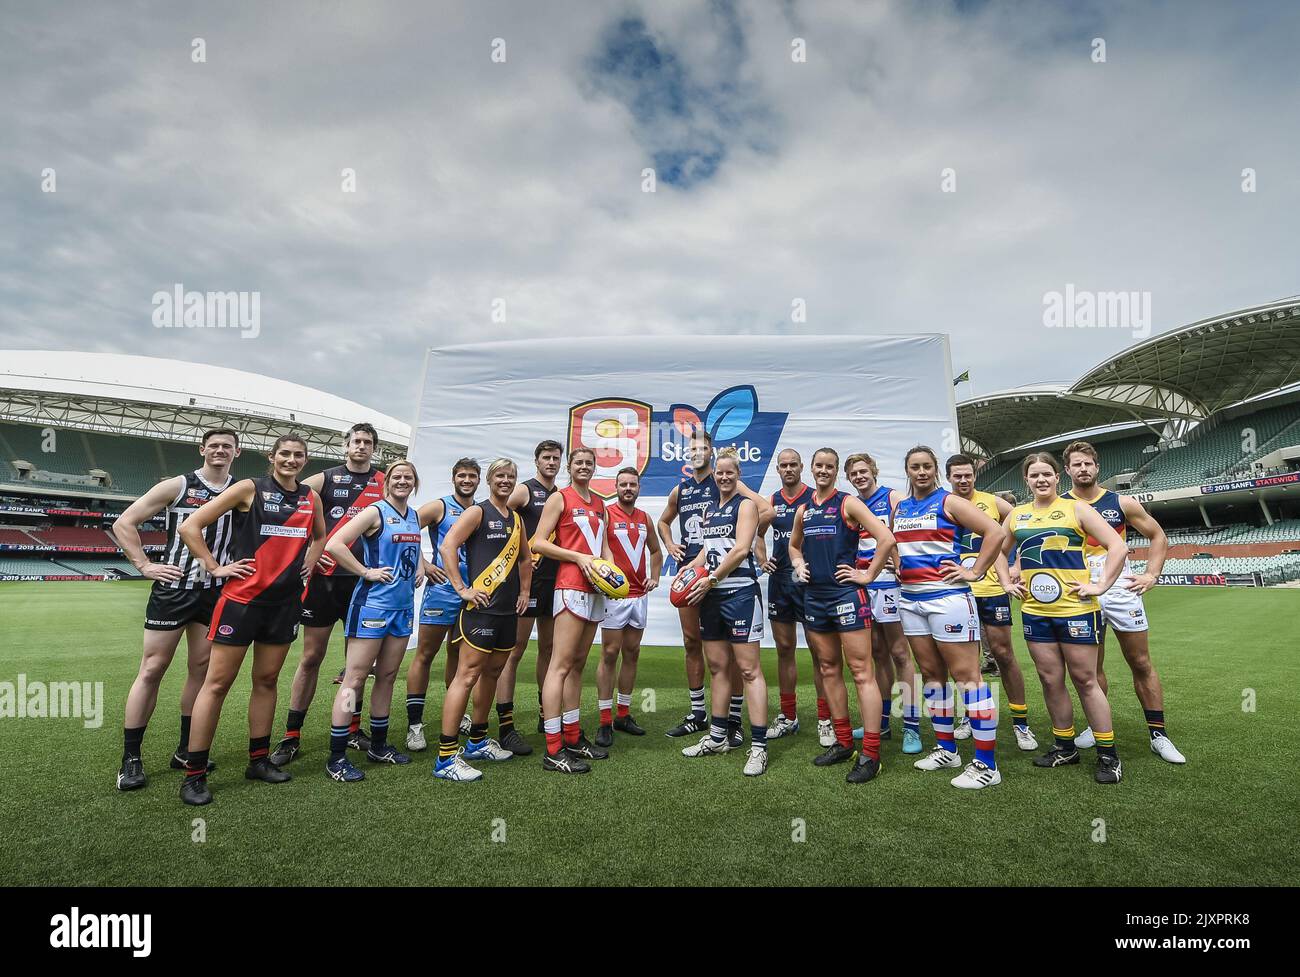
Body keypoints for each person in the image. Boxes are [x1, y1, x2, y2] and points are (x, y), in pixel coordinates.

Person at [177, 434, 327, 805]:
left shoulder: (311, 497)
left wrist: (308, 564)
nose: (291, 460)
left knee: (266, 680)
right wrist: (214, 566)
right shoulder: (249, 489)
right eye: (285, 454)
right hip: (241, 601)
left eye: (298, 455)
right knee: (217, 684)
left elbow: (321, 536)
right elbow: (189, 527)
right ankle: (194, 775)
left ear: (305, 461)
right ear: (272, 457)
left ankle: (258, 761)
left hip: (285, 604)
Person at [112, 428, 241, 790]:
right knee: (152, 668)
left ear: (237, 452)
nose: (219, 451)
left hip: (214, 592)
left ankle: (186, 749)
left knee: (200, 670)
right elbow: (124, 522)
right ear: (202, 449)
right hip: (174, 590)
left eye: (226, 446)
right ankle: (131, 758)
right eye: (213, 445)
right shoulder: (178, 485)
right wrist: (143, 565)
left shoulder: (241, 490)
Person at [1003, 452, 1128, 783]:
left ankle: (1108, 754)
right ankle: (1065, 747)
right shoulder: (1017, 516)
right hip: (1036, 612)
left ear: (1058, 477)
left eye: (1047, 474)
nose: (1041, 480)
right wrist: (1005, 580)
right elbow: (997, 550)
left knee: (1086, 680)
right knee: (1049, 679)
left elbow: (1118, 546)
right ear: (1026, 481)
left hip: (1076, 610)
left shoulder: (1078, 509)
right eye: (1034, 475)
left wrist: (1100, 585)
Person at [1061, 441, 1186, 764]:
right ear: (1067, 470)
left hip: (1119, 587)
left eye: (1088, 463)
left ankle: (1159, 734)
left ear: (1097, 467)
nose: (1083, 469)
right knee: (1090, 668)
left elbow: (1158, 536)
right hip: (1080, 589)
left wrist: (1152, 574)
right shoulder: (1059, 506)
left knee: (1140, 662)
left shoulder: (1121, 502)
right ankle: (1096, 726)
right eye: (1076, 464)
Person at [268, 423, 383, 766]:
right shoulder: (324, 479)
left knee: (357, 666)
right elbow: (291, 502)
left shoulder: (383, 482)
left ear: (373, 448)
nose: (361, 446)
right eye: (356, 441)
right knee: (311, 658)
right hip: (323, 582)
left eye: (367, 442)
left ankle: (352, 729)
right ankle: (291, 735)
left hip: (363, 584)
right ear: (345, 446)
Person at [894, 446, 1008, 789]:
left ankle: (987, 765)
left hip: (948, 600)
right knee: (931, 676)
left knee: (968, 679)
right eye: (915, 467)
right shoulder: (900, 507)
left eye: (927, 466)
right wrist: (897, 563)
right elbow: (898, 544)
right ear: (908, 470)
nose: (922, 472)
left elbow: (996, 533)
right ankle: (947, 749)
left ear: (935, 471)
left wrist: (974, 570)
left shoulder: (950, 502)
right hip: (910, 600)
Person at [787, 448, 897, 783]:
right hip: (814, 599)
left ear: (836, 471)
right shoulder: (804, 510)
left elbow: (886, 538)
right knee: (828, 668)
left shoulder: (848, 503)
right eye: (818, 466)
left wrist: (867, 575)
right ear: (812, 469)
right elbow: (794, 545)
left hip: (847, 596)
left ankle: (871, 754)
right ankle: (845, 742)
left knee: (862, 671)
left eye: (829, 467)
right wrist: (798, 564)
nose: (823, 471)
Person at [657, 428, 772, 744]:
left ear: (712, 451)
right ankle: (699, 715)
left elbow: (767, 511)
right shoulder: (681, 490)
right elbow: (663, 522)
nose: (697, 452)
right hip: (695, 571)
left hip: (726, 576)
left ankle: (734, 719)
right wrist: (669, 544)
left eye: (702, 447)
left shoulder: (727, 480)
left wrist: (749, 542)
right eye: (692, 448)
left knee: (735, 654)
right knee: (694, 643)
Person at [319, 460, 433, 781]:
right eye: (396, 476)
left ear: (415, 483)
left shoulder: (412, 515)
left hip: (402, 608)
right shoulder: (375, 512)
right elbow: (334, 544)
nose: (402, 481)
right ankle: (337, 756)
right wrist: (365, 571)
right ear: (387, 482)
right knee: (354, 678)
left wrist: (421, 565)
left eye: (408, 477)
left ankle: (378, 745)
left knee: (387, 675)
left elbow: (409, 549)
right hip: (372, 607)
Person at [432, 459, 533, 781]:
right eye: (500, 476)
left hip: (507, 612)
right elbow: (448, 545)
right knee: (468, 675)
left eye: (511, 477)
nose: (505, 481)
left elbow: (526, 559)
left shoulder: (516, 518)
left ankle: (477, 741)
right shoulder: (477, 512)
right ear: (490, 481)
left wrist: (524, 593)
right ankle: (446, 758)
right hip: (481, 611)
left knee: (492, 673)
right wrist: (461, 587)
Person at [679, 449, 773, 776]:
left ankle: (758, 747)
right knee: (718, 667)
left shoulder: (745, 506)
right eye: (719, 473)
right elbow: (708, 551)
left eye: (729, 472)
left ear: (738, 474)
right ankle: (717, 736)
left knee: (748, 671)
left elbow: (741, 549)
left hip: (740, 593)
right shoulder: (709, 509)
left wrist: (713, 579)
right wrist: (688, 572)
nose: (723, 477)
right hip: (712, 596)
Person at [946, 454, 1037, 752]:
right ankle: (970, 718)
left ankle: (1021, 723)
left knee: (1003, 654)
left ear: (975, 476)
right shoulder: (943, 505)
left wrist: (1017, 567)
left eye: (967, 475)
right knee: (965, 662)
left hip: (992, 590)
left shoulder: (995, 503)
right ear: (949, 477)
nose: (963, 480)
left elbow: (1027, 529)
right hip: (958, 593)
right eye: (957, 475)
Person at [531, 447, 613, 772]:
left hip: (594, 590)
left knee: (578, 664)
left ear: (594, 468)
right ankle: (553, 749)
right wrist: (577, 557)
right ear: (570, 466)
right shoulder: (559, 498)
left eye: (588, 463)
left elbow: (604, 549)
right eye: (578, 462)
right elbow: (537, 542)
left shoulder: (600, 504)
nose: (583, 467)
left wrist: (612, 577)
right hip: (569, 586)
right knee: (560, 665)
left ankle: (574, 737)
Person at [843, 452, 923, 755]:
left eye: (864, 471)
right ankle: (884, 721)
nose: (860, 477)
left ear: (873, 471)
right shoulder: (852, 504)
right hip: (863, 585)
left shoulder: (892, 498)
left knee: (901, 654)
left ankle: (912, 727)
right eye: (854, 473)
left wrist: (899, 563)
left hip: (888, 585)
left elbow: (904, 533)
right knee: (877, 654)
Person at [402, 458, 480, 752]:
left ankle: (456, 714)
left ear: (478, 480)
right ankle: (415, 725)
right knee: (424, 654)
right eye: (462, 475)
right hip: (442, 593)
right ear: (453, 477)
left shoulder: (478, 510)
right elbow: (407, 531)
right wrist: (423, 563)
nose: (466, 480)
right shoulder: (439, 507)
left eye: (472, 476)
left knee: (458, 655)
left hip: (470, 593)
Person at [496, 440, 563, 753]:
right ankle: (506, 725)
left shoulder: (560, 493)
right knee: (515, 650)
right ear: (537, 461)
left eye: (555, 458)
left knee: (548, 649)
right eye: (546, 457)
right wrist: (518, 553)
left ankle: (543, 712)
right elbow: (499, 517)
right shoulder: (525, 490)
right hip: (526, 581)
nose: (551, 462)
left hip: (554, 579)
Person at [756, 449, 825, 744]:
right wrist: (762, 558)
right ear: (777, 469)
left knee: (821, 654)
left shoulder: (815, 498)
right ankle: (788, 716)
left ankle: (826, 720)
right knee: (785, 649)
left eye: (793, 464)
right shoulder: (771, 502)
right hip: (781, 581)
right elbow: (756, 534)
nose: (788, 469)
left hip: (810, 583)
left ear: (802, 467)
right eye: (783, 465)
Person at [594, 467, 662, 746]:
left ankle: (623, 714)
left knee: (632, 652)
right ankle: (604, 720)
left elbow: (656, 551)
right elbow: (597, 548)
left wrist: (654, 577)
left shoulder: (645, 517)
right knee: (610, 653)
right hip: (614, 596)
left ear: (639, 487)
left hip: (639, 596)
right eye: (623, 484)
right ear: (616, 487)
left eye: (632, 484)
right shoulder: (607, 513)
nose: (628, 488)